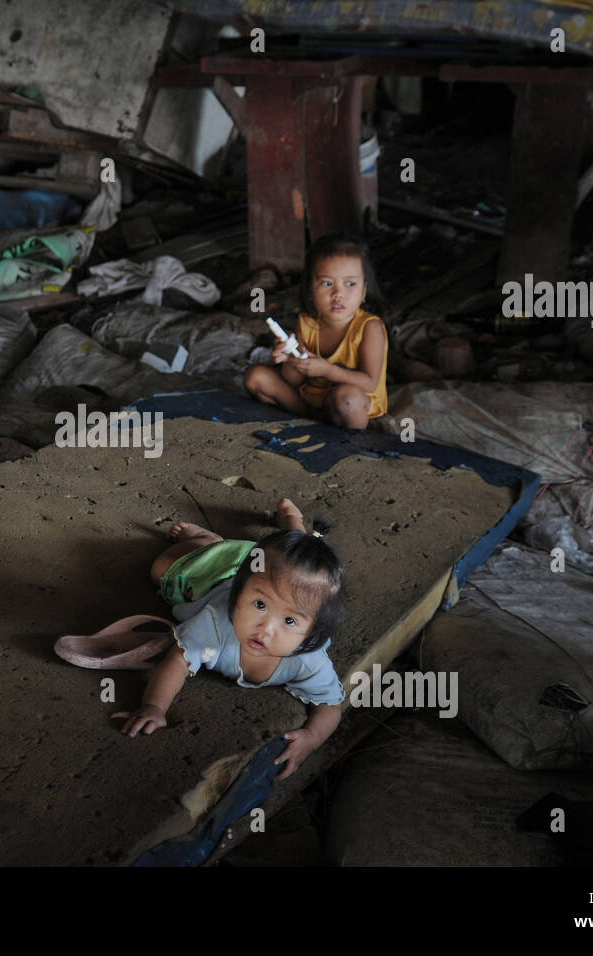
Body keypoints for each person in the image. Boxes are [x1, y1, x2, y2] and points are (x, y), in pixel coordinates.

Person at [113, 498, 345, 780]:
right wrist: (154, 706)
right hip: (217, 571)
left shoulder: (308, 660)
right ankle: (206, 541)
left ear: (314, 630)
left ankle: (293, 525)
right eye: (259, 605)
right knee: (161, 570)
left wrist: (312, 737)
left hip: (269, 569)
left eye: (289, 621)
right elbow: (178, 659)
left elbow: (330, 704)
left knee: (302, 562)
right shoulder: (215, 622)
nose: (265, 628)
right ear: (239, 592)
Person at [244, 234, 389, 430]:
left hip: (353, 405)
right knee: (255, 376)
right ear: (311, 291)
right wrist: (290, 359)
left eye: (350, 284)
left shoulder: (370, 328)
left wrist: (328, 370)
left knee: (347, 399)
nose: (338, 294)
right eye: (327, 283)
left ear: (363, 291)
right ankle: (313, 420)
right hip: (312, 403)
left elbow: (370, 384)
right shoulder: (306, 323)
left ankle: (357, 439)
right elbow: (294, 380)